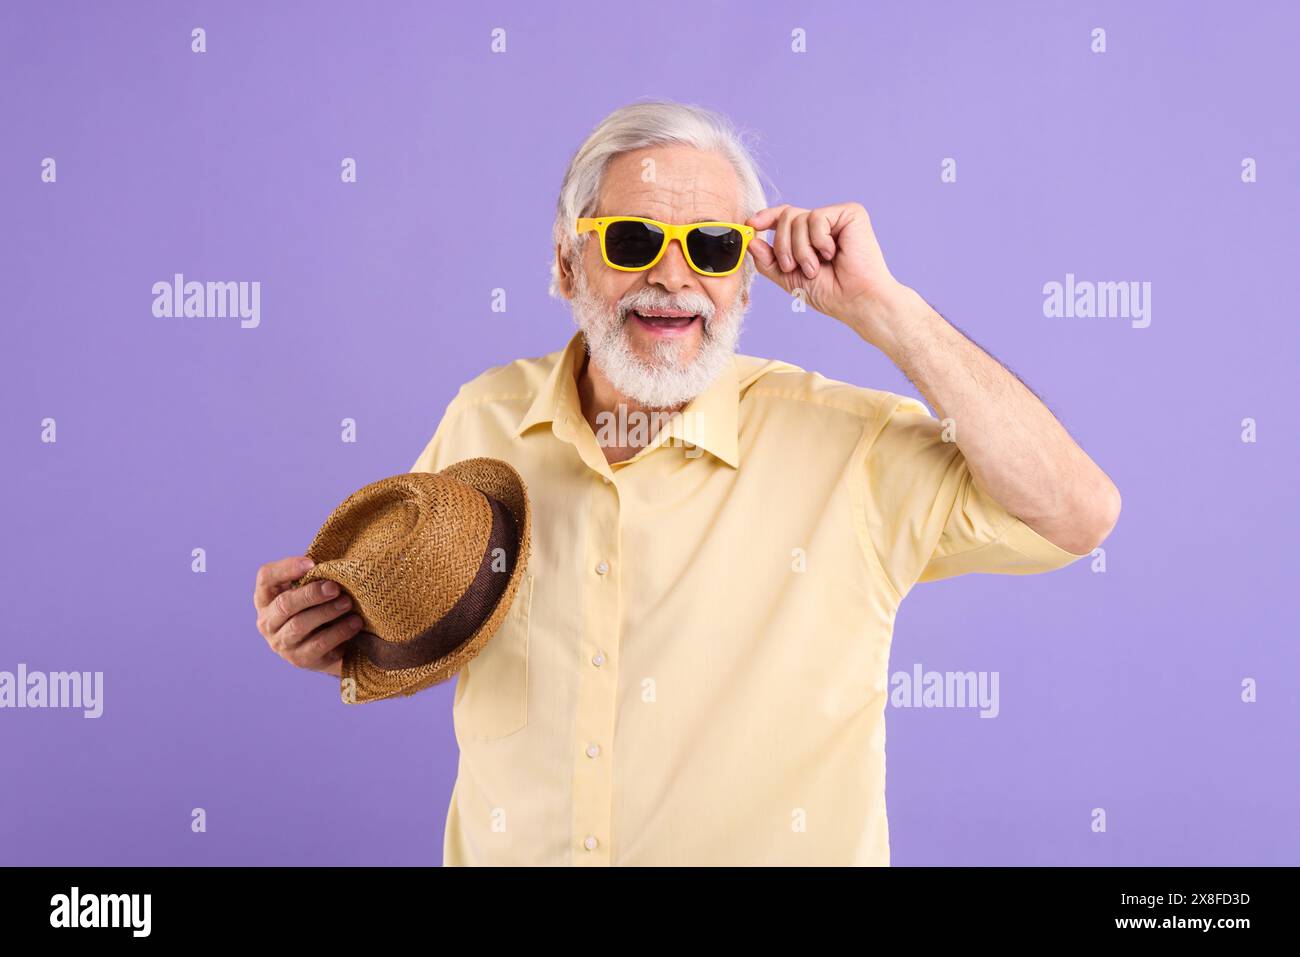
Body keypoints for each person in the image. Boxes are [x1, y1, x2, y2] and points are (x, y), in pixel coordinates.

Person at [254, 100, 1120, 865]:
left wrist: (885, 308)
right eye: (633, 242)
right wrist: (332, 632)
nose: (675, 277)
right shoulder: (481, 421)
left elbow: (1078, 512)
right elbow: (424, 619)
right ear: (566, 264)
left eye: (712, 245)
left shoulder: (846, 446)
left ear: (745, 277)